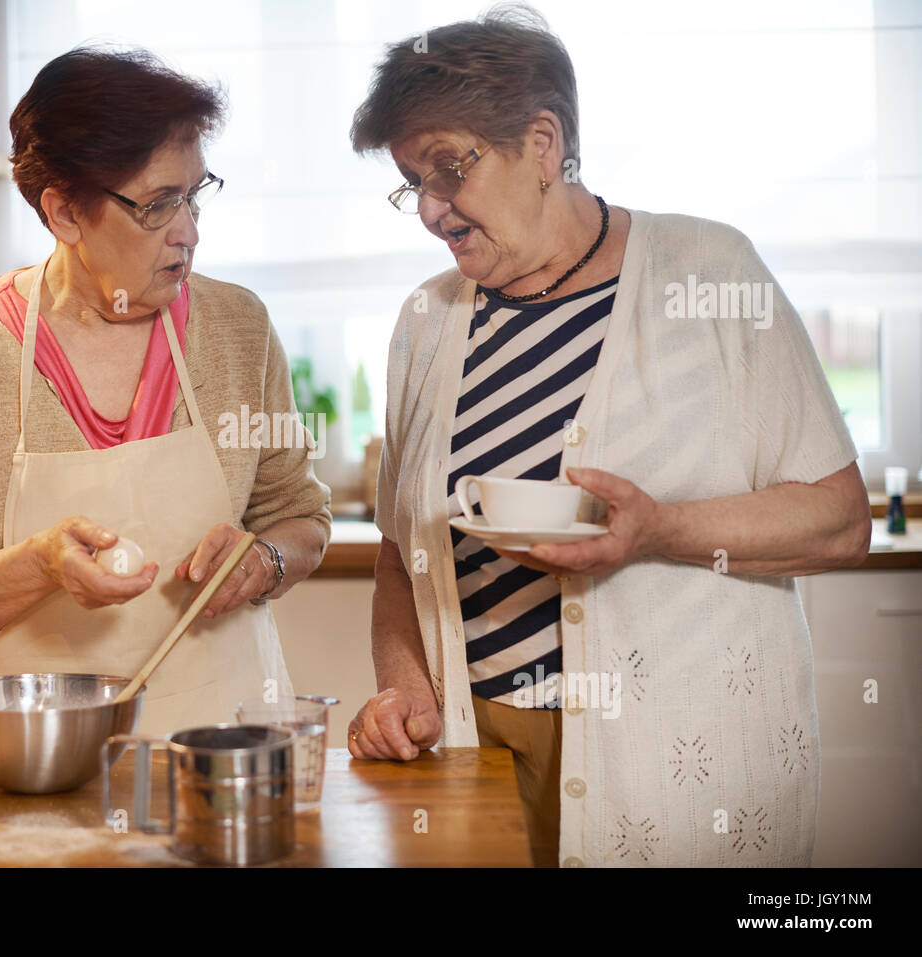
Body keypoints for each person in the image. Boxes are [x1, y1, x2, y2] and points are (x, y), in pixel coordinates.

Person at [346, 5, 870, 867]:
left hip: (676, 772)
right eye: (414, 182)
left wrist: (657, 528)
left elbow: (840, 520)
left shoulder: (709, 271)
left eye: (449, 170)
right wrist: (405, 690)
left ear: (543, 145)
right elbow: (403, 557)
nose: (432, 211)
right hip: (481, 761)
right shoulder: (425, 322)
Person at [0, 47, 330, 734]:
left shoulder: (239, 329)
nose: (189, 232)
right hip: (33, 758)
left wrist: (264, 558)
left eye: (194, 195)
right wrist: (37, 565)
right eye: (156, 205)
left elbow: (302, 517)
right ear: (63, 214)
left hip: (223, 748)